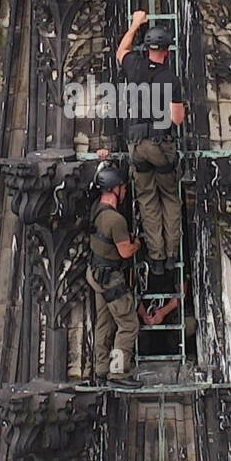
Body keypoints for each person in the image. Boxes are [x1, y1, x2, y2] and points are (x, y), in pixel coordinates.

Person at [116, 9, 185, 276]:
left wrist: (134, 24)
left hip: (137, 145)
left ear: (146, 48)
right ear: (167, 51)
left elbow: (121, 50)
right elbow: (177, 120)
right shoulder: (171, 78)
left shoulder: (134, 65)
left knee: (147, 199)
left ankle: (155, 258)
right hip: (161, 146)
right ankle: (170, 255)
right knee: (169, 197)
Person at [87, 166, 142, 388]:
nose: (125, 191)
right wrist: (137, 242)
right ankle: (118, 373)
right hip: (111, 280)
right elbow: (125, 252)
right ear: (114, 189)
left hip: (96, 275)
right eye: (123, 187)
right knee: (128, 325)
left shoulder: (96, 210)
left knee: (105, 323)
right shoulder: (115, 220)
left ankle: (101, 370)